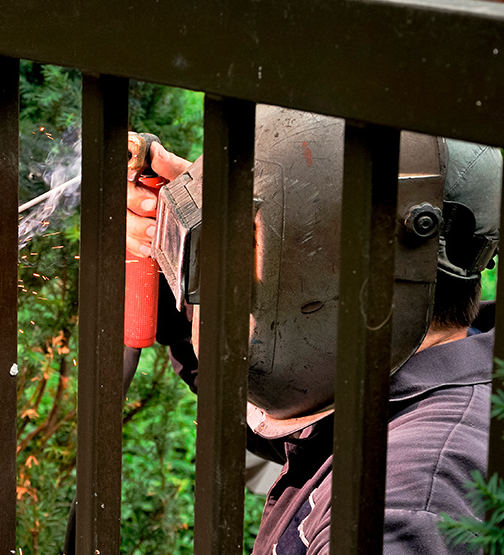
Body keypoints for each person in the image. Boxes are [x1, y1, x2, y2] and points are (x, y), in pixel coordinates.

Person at [128, 106, 500, 554]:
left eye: (248, 236)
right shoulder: (379, 385)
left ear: (335, 251)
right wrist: (181, 255)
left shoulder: (413, 492)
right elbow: (249, 386)